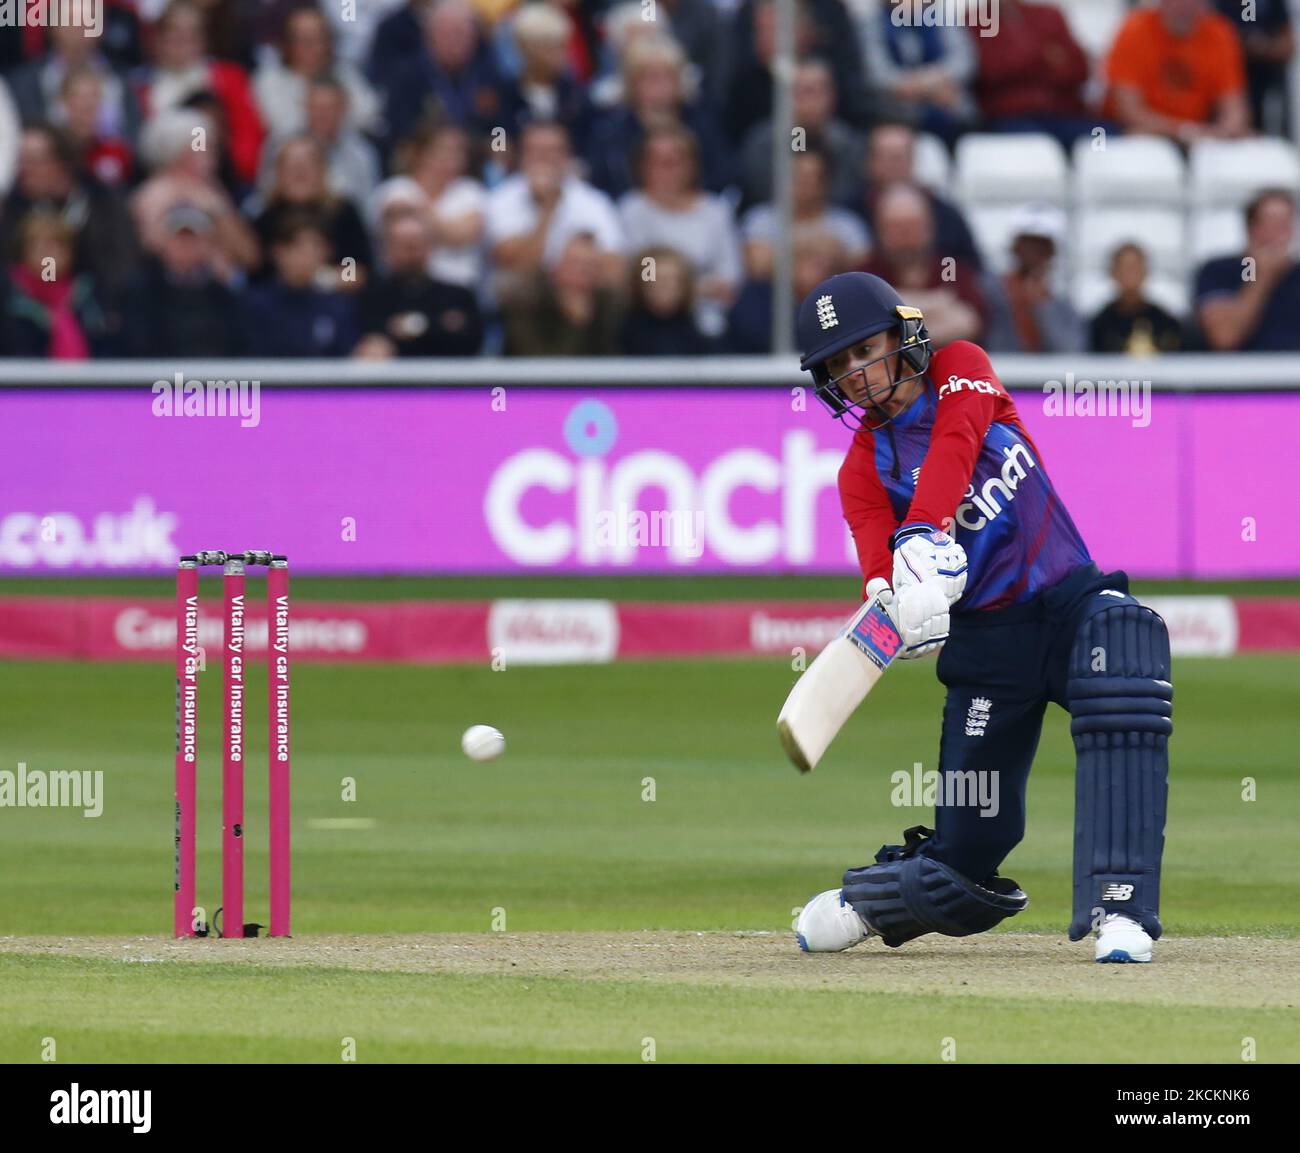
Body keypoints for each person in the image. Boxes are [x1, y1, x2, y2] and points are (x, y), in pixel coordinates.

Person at [791, 271, 1172, 963]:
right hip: (990, 649)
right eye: (839, 363)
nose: (858, 371)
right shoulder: (861, 471)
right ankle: (870, 899)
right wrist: (902, 607)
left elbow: (957, 440)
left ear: (903, 334)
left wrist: (922, 532)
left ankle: (1122, 910)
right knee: (963, 863)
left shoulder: (961, 366)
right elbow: (879, 576)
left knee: (1125, 654)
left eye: (865, 348)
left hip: (1070, 604)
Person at [1104, 0, 1249, 144]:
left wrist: (1220, 132)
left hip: (1199, 136)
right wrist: (1184, 131)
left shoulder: (1219, 33)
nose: (1185, 6)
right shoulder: (1134, 29)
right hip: (1142, 135)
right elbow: (1128, 110)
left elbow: (1235, 110)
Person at [1193, 189, 1300, 352]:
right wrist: (1261, 275)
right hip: (1240, 366)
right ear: (1251, 227)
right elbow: (1225, 337)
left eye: (1284, 225)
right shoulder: (1220, 270)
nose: (1278, 235)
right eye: (1270, 224)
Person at [982, 203, 1084, 353]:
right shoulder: (989, 292)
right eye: (1027, 243)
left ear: (1051, 251)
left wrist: (1043, 307)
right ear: (1015, 247)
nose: (1034, 252)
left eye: (1042, 245)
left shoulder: (1062, 305)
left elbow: (1072, 351)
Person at [1089, 243, 1184, 354]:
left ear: (1145, 272)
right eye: (1124, 268)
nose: (1130, 275)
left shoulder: (1166, 323)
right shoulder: (1099, 326)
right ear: (1113, 273)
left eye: (1135, 268)